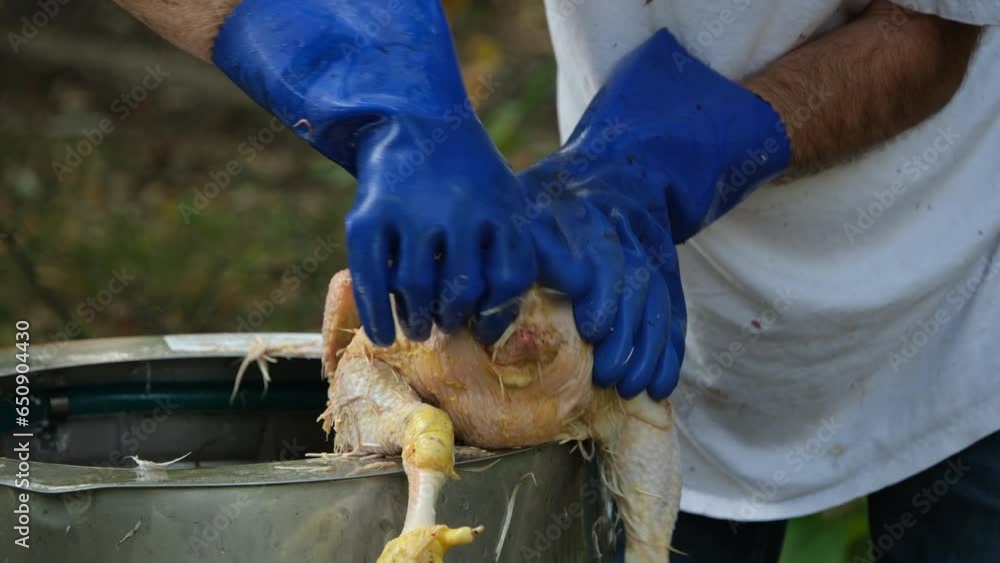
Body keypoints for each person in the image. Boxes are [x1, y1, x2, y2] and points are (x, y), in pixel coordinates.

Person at [111, 0, 1000, 560]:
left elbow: (925, 33)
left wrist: (662, 159)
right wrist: (365, 74)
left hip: (945, 290)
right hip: (629, 314)